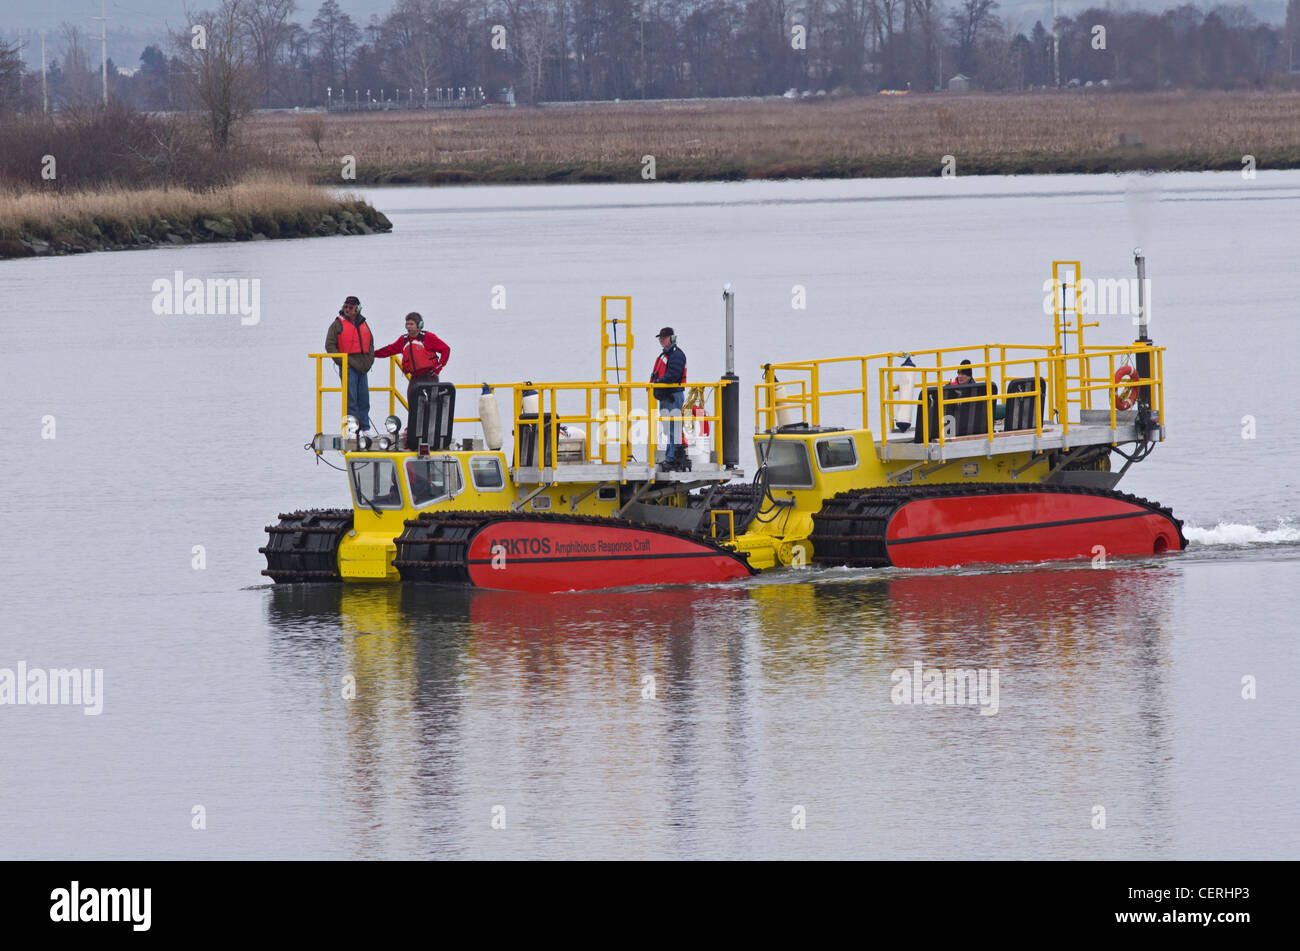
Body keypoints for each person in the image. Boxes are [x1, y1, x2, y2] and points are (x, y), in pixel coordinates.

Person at [375, 311, 450, 416]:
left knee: (430, 406)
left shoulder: (428, 337)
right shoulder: (404, 340)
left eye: (411, 324)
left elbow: (446, 350)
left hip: (430, 376)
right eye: (407, 324)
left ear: (419, 325)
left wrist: (438, 368)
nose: (408, 327)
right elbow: (389, 350)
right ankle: (412, 427)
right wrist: (372, 354)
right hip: (415, 378)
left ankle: (430, 429)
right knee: (413, 403)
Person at [326, 295, 376, 433]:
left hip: (363, 367)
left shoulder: (364, 323)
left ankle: (365, 427)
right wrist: (342, 362)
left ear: (357, 308)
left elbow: (370, 343)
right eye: (345, 307)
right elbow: (330, 345)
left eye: (351, 307)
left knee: (364, 399)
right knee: (351, 399)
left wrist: (370, 361)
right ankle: (354, 429)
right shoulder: (337, 324)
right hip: (348, 367)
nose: (347, 309)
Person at [650, 326, 688, 470]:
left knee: (673, 428)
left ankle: (672, 458)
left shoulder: (676, 355)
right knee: (668, 429)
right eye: (660, 338)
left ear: (671, 338)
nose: (661, 341)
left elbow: (673, 374)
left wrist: (658, 382)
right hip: (666, 396)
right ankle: (669, 456)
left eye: (664, 338)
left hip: (672, 396)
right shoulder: (667, 355)